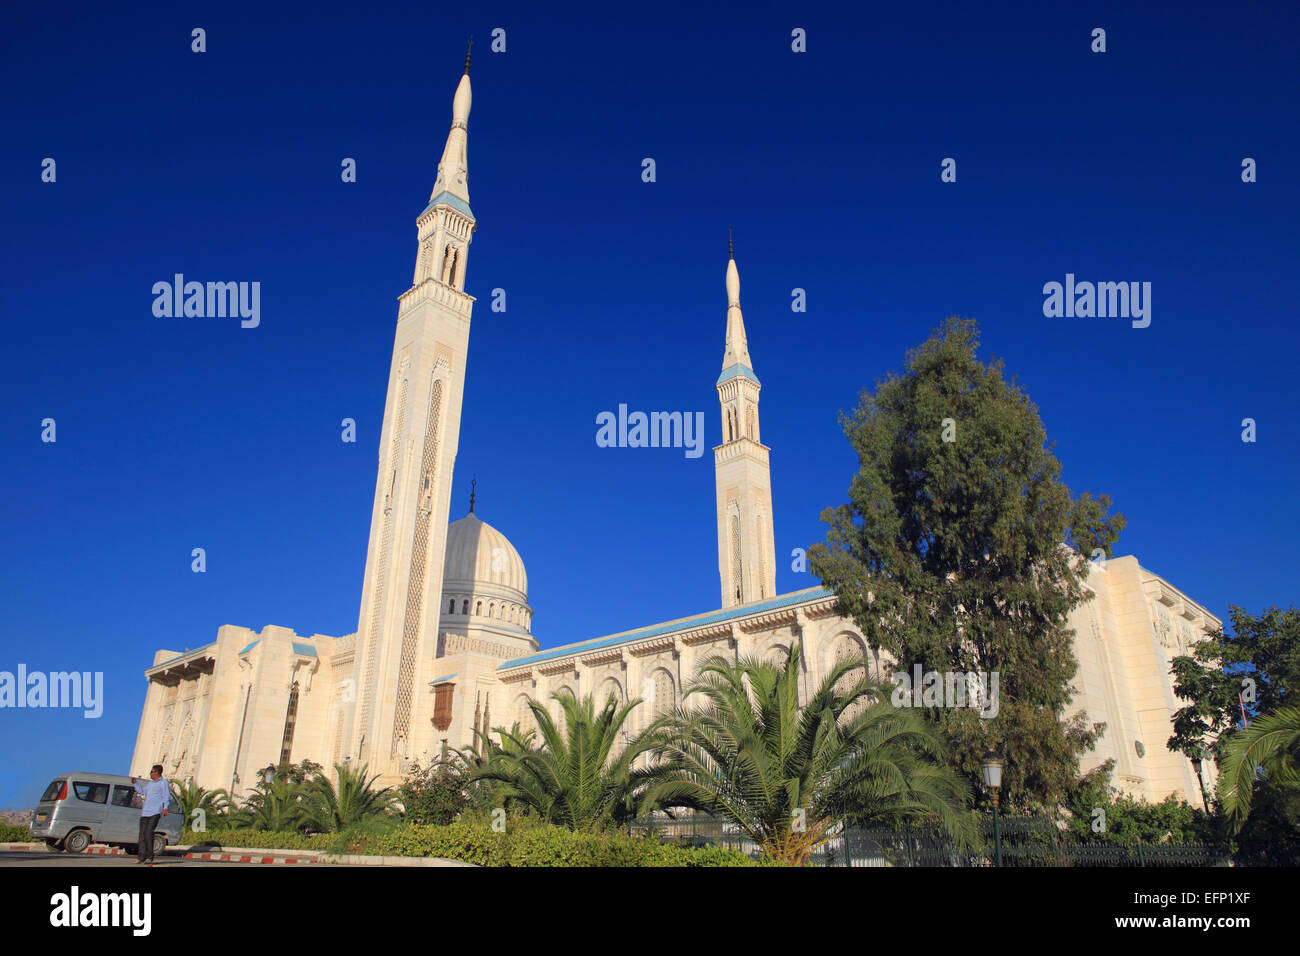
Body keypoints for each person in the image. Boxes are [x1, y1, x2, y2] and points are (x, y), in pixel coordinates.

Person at [130, 765, 170, 864]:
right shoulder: (151, 783)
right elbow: (142, 791)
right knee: (142, 835)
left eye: (151, 772)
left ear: (157, 772)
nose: (150, 773)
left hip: (155, 811)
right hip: (145, 812)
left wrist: (165, 808)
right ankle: (141, 857)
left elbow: (166, 796)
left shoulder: (163, 783)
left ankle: (149, 856)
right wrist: (136, 784)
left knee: (148, 832)